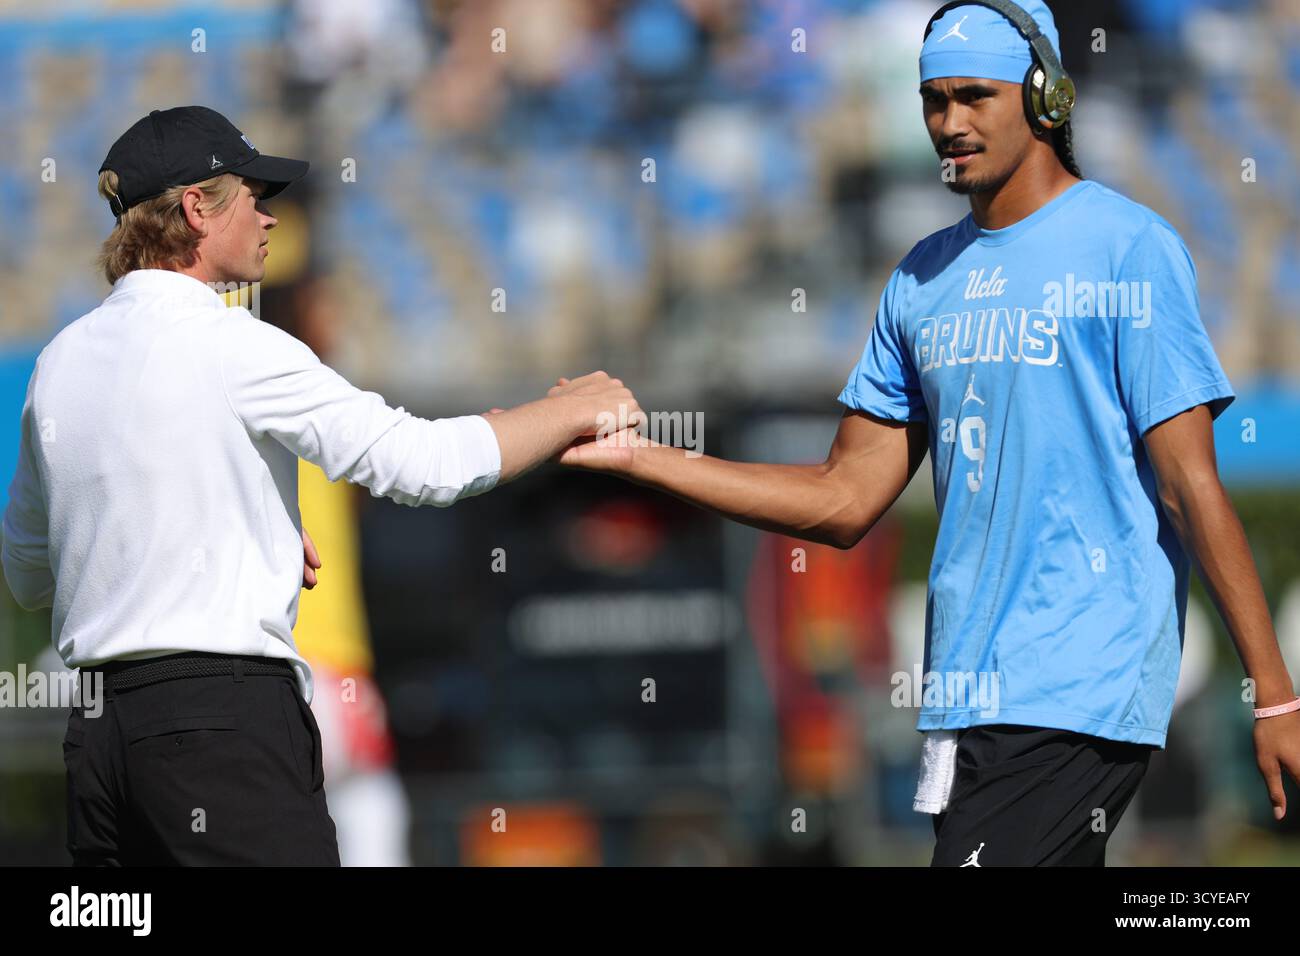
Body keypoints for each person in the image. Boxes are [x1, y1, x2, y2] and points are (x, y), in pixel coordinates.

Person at [558, 0, 1300, 865]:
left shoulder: (1127, 248)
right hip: (965, 696)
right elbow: (842, 499)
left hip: (1072, 686)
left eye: (975, 96)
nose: (950, 123)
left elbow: (1188, 485)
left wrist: (1275, 693)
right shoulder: (919, 279)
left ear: (1047, 98)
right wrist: (647, 458)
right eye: (934, 101)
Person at [0, 105, 641, 866]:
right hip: (223, 724)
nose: (269, 218)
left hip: (100, 735)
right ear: (198, 208)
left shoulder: (59, 363)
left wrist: (225, 525)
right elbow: (423, 464)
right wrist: (565, 411)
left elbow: (30, 573)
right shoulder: (239, 343)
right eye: (253, 195)